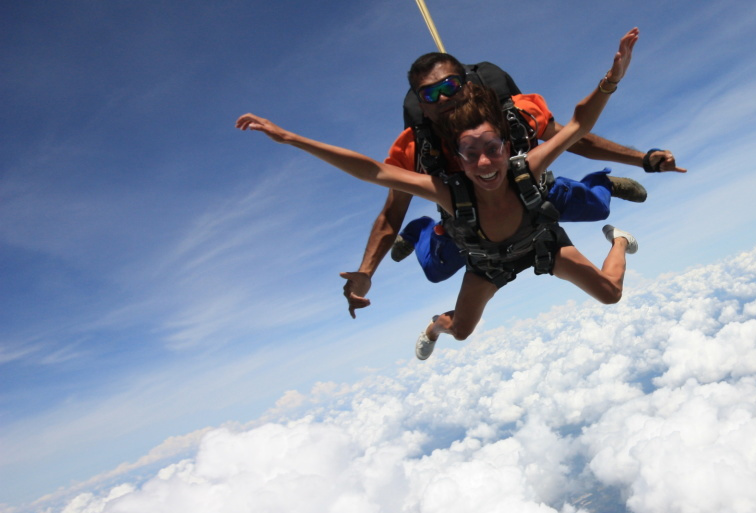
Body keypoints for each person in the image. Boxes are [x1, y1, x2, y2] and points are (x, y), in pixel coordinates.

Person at [238, 28, 642, 360]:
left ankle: (619, 239)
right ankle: (435, 324)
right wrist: (289, 138)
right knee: (460, 331)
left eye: (493, 151)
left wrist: (612, 80)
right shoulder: (447, 187)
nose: (484, 164)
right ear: (457, 161)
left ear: (506, 146)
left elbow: (578, 127)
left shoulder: (524, 161)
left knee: (610, 295)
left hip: (542, 242)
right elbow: (372, 171)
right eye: (470, 156)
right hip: (487, 262)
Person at [341, 47, 686, 318]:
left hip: (531, 194)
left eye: (450, 86)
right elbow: (390, 214)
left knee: (597, 207)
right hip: (468, 221)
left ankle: (603, 183)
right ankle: (421, 230)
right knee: (435, 271)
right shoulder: (415, 148)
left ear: (469, 86)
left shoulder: (517, 115)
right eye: (430, 95)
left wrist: (643, 159)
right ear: (422, 105)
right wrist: (367, 271)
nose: (443, 98)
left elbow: (575, 137)